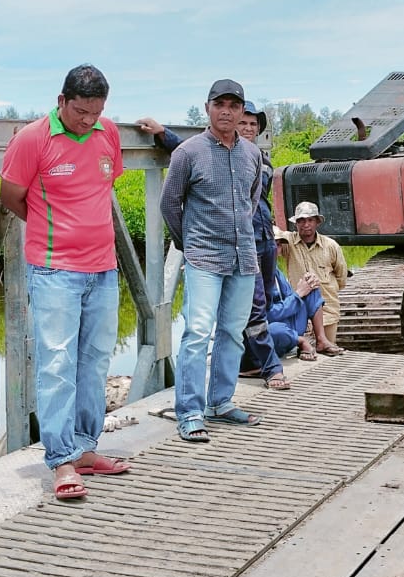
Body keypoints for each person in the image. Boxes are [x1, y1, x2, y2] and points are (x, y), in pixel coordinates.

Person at [1, 64, 132, 502]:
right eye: (80, 112)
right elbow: (11, 196)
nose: (87, 120)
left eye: (95, 112)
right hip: (55, 270)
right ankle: (60, 459)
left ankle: (86, 449)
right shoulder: (32, 139)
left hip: (103, 269)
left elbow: (103, 186)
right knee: (56, 364)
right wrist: (50, 232)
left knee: (94, 360)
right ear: (61, 101)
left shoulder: (107, 134)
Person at [141, 104, 291, 391]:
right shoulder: (207, 152)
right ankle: (271, 368)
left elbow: (253, 197)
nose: (248, 129)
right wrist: (163, 134)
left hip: (262, 240)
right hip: (231, 248)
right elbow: (193, 158)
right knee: (249, 311)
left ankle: (247, 365)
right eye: (243, 123)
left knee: (262, 306)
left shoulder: (258, 159)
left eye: (253, 125)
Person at [161, 79, 265, 441]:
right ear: (207, 108)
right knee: (197, 333)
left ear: (242, 112)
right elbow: (169, 204)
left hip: (243, 258)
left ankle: (220, 403)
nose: (227, 111)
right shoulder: (187, 153)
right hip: (204, 256)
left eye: (234, 106)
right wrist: (187, 244)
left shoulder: (252, 155)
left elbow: (252, 202)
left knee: (233, 333)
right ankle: (190, 412)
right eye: (220, 104)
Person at [278, 201, 348, 353]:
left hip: (327, 307)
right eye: (301, 220)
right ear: (296, 223)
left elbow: (341, 277)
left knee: (329, 350)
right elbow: (271, 236)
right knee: (300, 351)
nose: (306, 225)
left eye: (310, 220)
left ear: (317, 222)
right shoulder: (287, 242)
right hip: (298, 308)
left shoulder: (331, 246)